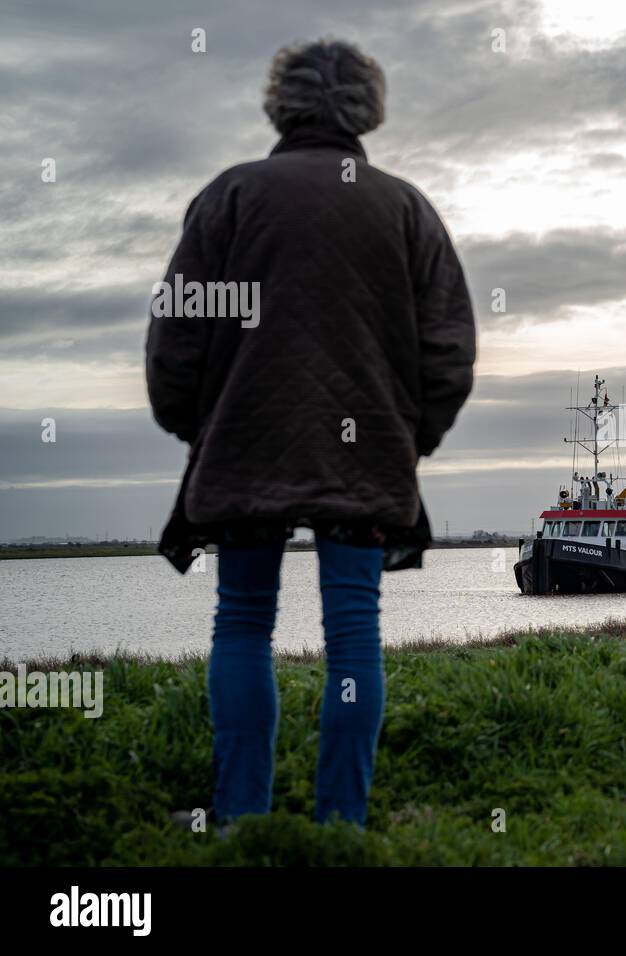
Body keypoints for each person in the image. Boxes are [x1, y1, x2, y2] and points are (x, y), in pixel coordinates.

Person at [147, 39, 476, 829]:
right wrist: (410, 437)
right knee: (354, 628)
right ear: (369, 107)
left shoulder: (230, 198)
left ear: (279, 104)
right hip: (368, 453)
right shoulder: (403, 208)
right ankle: (342, 831)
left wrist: (203, 426)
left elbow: (177, 340)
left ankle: (237, 825)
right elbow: (449, 350)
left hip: (244, 440)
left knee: (243, 620)